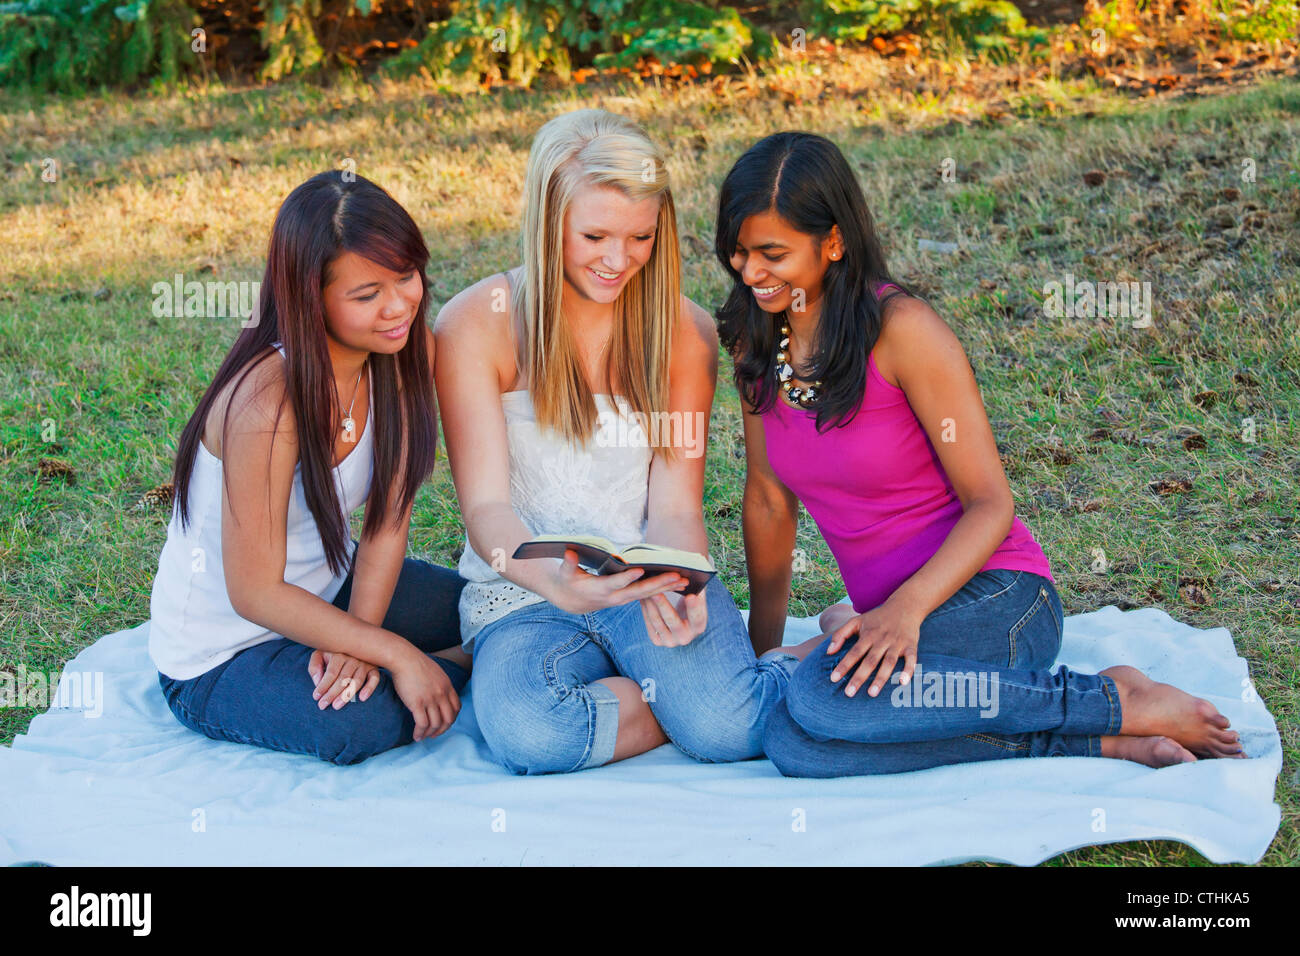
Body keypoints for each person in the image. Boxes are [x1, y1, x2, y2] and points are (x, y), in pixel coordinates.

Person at [713, 131, 1246, 776]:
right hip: (894, 618)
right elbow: (769, 500)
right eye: (740, 252)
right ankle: (1086, 737)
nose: (750, 272)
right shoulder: (755, 342)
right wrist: (760, 656)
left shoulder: (904, 333)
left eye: (773, 253)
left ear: (832, 242)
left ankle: (1109, 700)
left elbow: (992, 504)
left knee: (823, 702)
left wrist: (906, 610)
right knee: (794, 742)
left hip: (995, 598)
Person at [433, 109, 801, 775]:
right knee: (530, 735)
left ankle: (759, 680)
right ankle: (684, 700)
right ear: (547, 224)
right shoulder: (474, 326)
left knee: (729, 732)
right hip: (525, 594)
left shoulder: (682, 334)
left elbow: (676, 507)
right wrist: (556, 582)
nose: (617, 259)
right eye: (594, 234)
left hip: (645, 579)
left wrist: (681, 582)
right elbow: (486, 511)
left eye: (640, 237)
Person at [149, 171, 471, 765]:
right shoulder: (266, 404)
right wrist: (397, 654)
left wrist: (360, 640)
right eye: (366, 294)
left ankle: (445, 665)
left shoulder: (402, 353)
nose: (399, 305)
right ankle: (446, 670)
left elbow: (387, 525)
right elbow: (255, 593)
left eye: (406, 277)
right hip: (225, 651)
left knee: (483, 608)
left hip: (330, 591)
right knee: (361, 723)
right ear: (309, 296)